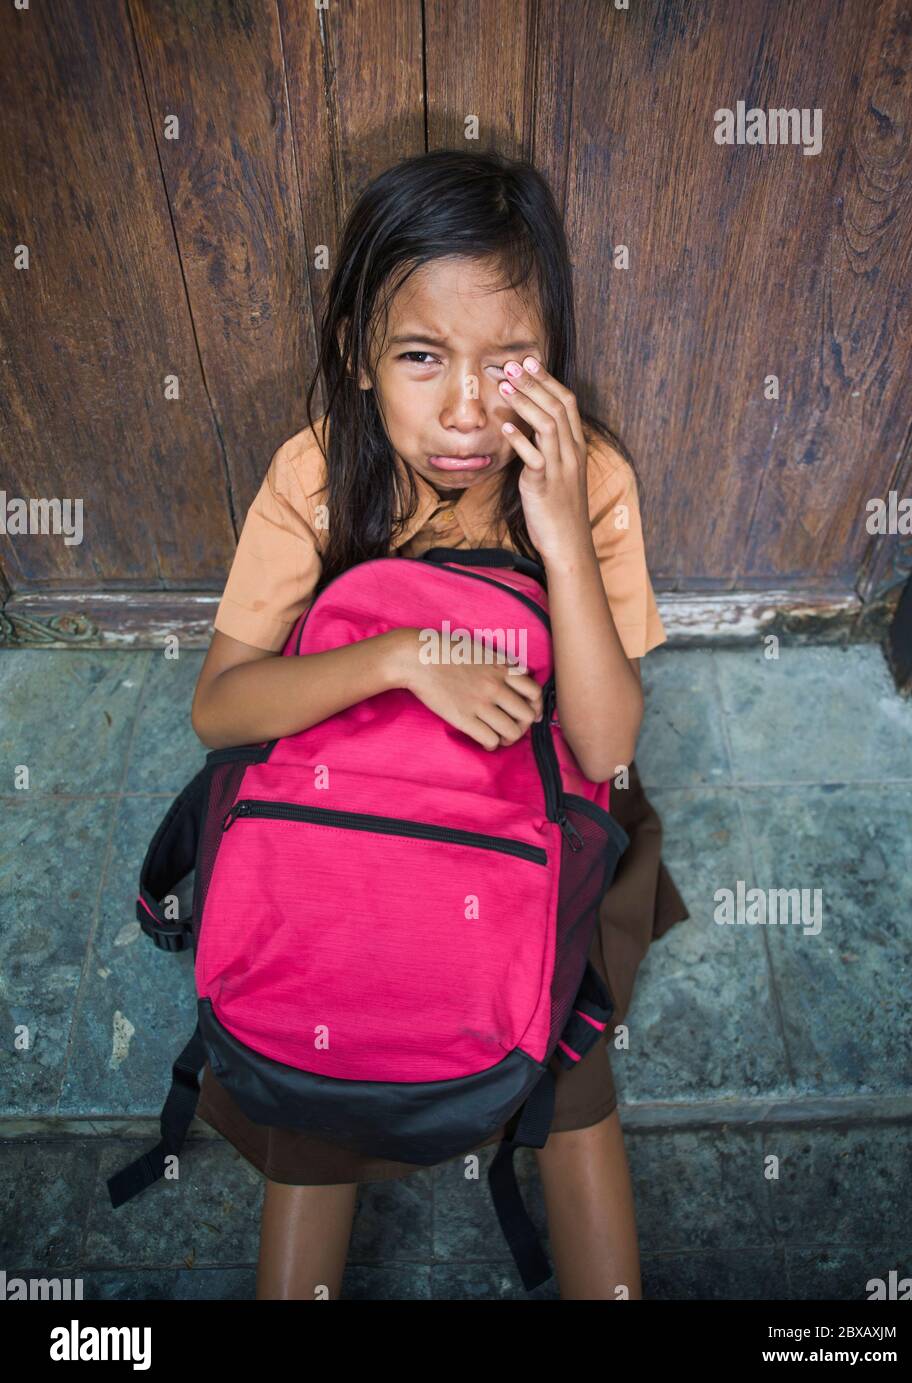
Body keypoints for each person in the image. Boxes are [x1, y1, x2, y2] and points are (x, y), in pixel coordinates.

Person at [190, 148, 687, 1300]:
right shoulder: (320, 474)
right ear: (361, 355)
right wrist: (401, 658)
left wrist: (557, 528)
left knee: (565, 1062)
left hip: (532, 824)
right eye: (422, 358)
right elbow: (221, 707)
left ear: (550, 360)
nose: (467, 410)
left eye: (507, 361)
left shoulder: (584, 476)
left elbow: (606, 751)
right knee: (314, 1046)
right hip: (347, 818)